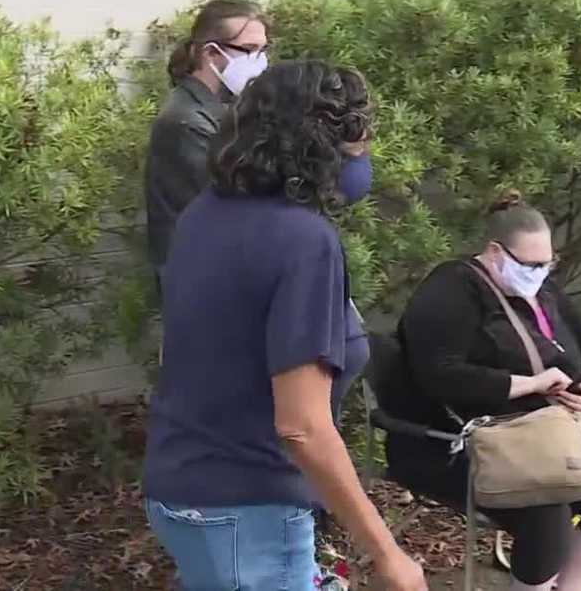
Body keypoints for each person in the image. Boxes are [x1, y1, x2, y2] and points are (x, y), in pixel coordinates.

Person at [142, 60, 424, 591]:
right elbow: (302, 427)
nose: (365, 156)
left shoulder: (204, 213)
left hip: (183, 490)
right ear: (324, 145)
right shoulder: (303, 242)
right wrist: (388, 555)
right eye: (359, 141)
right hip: (247, 511)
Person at [385, 193, 581, 591]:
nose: (540, 273)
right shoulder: (449, 290)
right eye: (531, 265)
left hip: (538, 433)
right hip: (453, 442)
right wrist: (531, 384)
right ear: (495, 252)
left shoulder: (543, 291)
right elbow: (440, 375)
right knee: (547, 509)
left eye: (547, 264)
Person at [144, 0, 270, 287]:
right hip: (201, 278)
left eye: (263, 50)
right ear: (211, 53)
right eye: (249, 50)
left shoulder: (225, 106)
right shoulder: (186, 121)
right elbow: (236, 200)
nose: (259, 61)